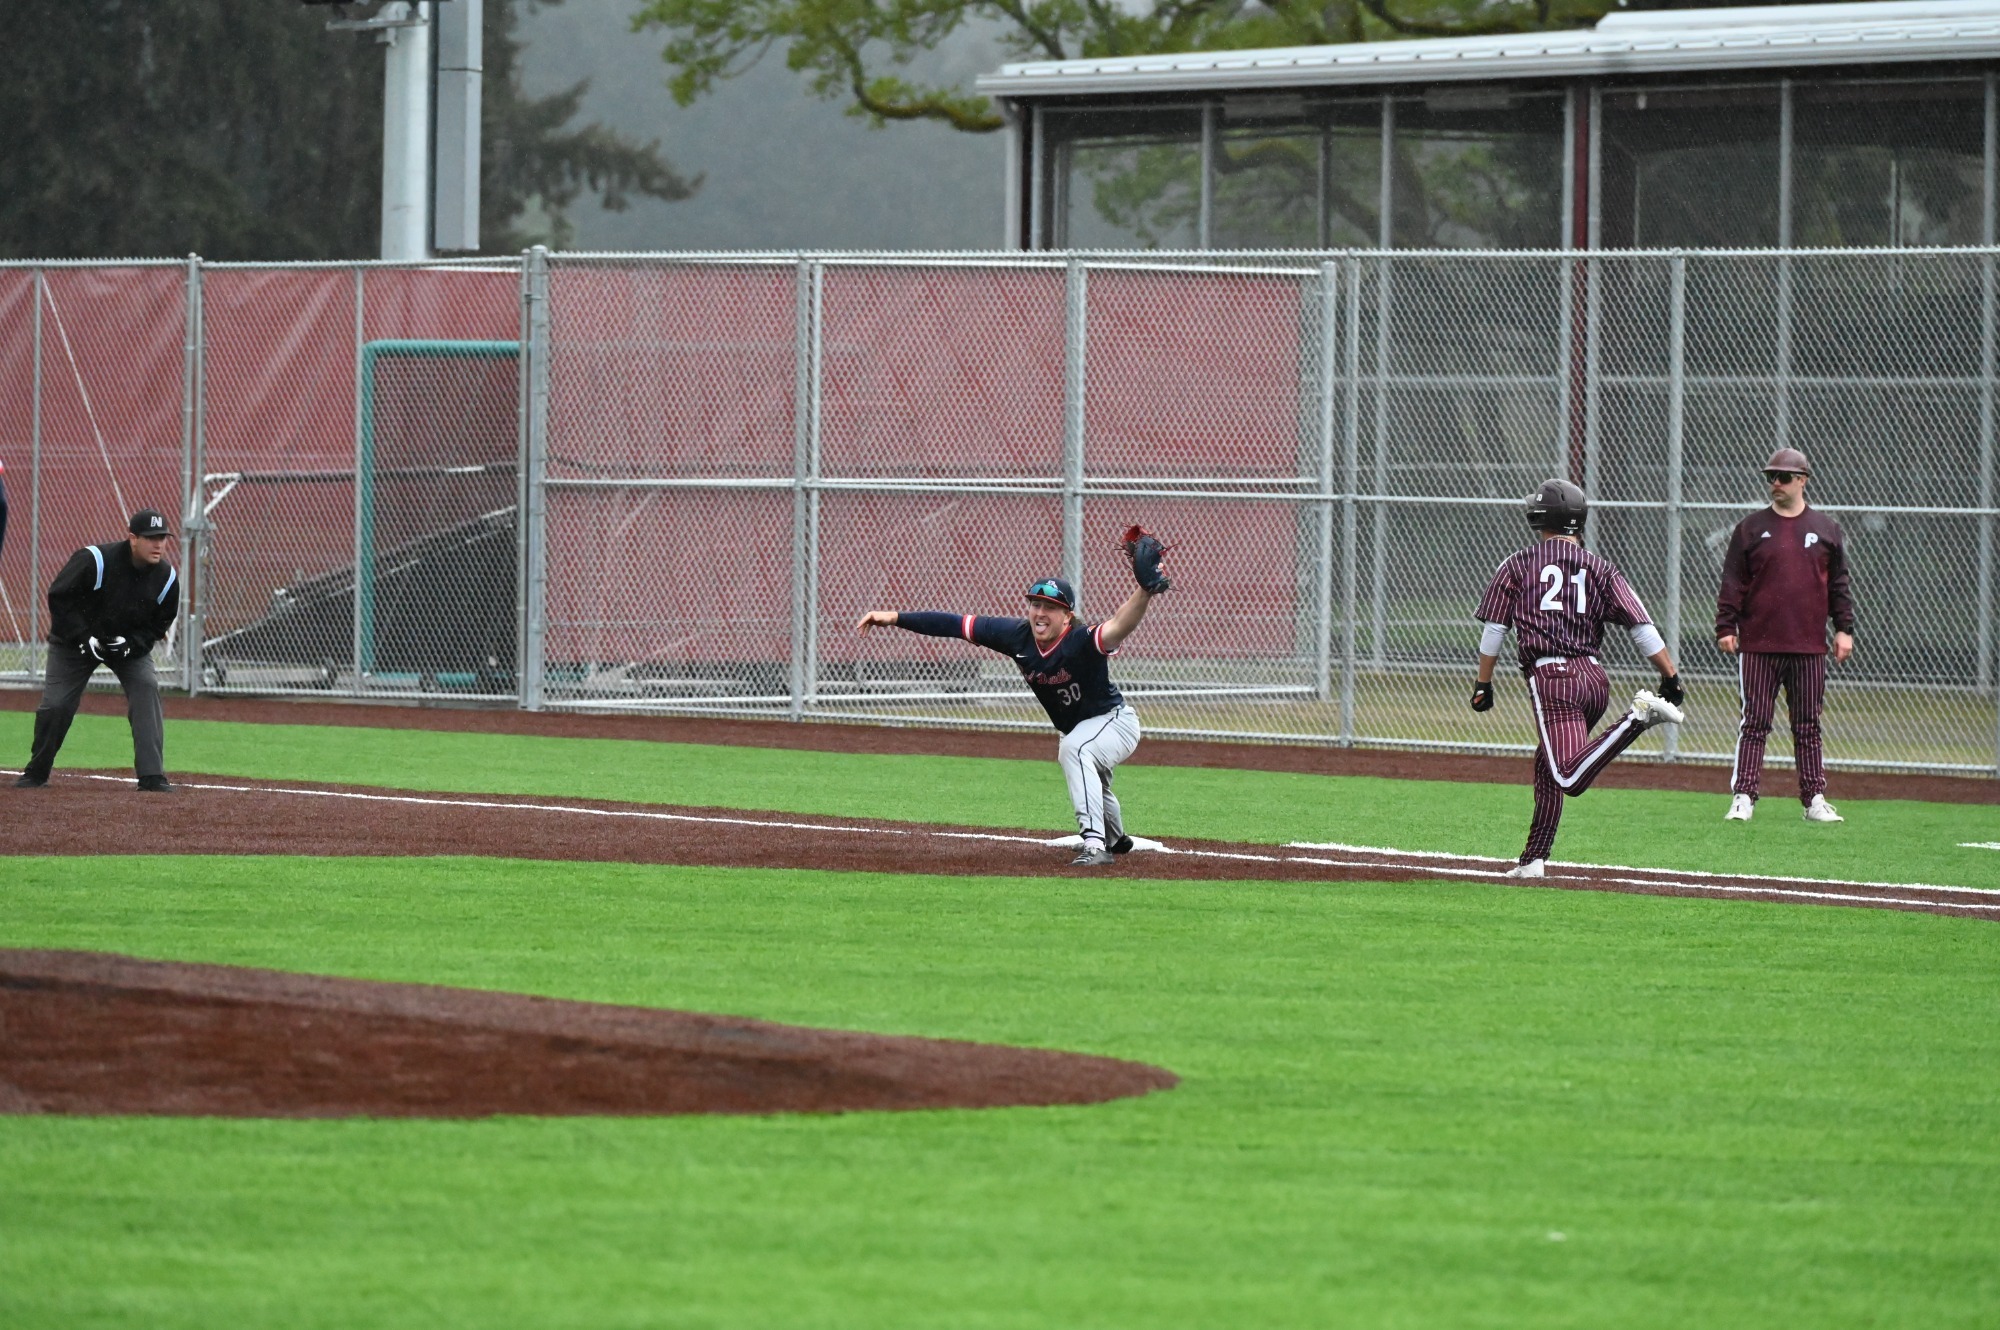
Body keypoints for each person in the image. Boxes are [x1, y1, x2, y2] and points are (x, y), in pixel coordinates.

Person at [857, 549, 1167, 867]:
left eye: (1051, 607)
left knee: (1075, 750)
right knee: (1089, 772)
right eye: (1035, 604)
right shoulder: (1016, 637)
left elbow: (1119, 625)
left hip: (1115, 723)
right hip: (1082, 728)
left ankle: (1094, 845)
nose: (1040, 612)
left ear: (1067, 616)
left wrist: (1144, 591)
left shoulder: (1080, 640)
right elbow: (953, 624)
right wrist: (895, 618)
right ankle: (1116, 840)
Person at [1470, 479, 1687, 878]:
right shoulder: (1601, 566)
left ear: (1539, 516)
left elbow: (1495, 630)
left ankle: (1635, 718)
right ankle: (1533, 860)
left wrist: (1484, 683)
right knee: (1548, 765)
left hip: (1552, 678)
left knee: (1569, 775)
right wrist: (1670, 675)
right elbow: (1641, 626)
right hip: (1593, 678)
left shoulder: (1518, 564)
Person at [1714, 446, 1855, 824]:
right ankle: (1743, 797)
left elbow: (1839, 584)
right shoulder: (1750, 528)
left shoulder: (1826, 529)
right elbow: (1733, 582)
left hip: (1808, 645)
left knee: (1808, 725)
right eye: (1770, 477)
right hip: (1758, 644)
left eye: (1783, 477)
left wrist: (1844, 629)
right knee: (1754, 722)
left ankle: (1814, 800)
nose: (1775, 483)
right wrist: (1726, 626)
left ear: (1803, 480)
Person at [14, 509, 181, 792]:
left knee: (146, 686)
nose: (158, 544)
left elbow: (159, 624)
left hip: (126, 645)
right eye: (151, 538)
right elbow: (59, 598)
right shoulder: (95, 560)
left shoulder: (166, 577)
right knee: (57, 704)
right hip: (73, 644)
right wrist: (84, 638)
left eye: (162, 537)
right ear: (132, 539)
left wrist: (131, 646)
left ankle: (152, 776)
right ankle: (37, 771)